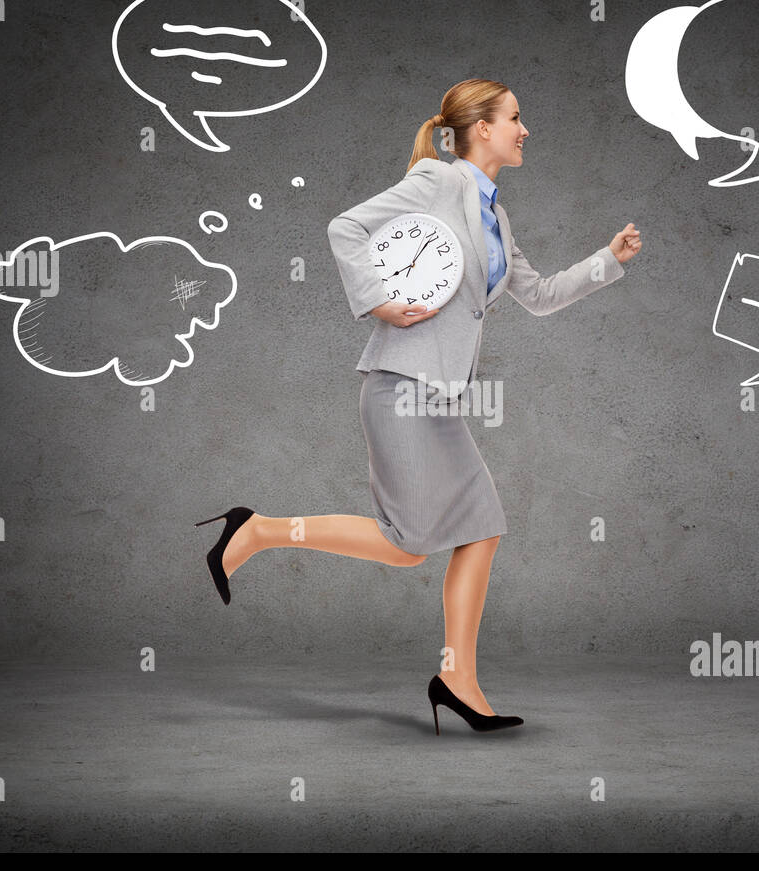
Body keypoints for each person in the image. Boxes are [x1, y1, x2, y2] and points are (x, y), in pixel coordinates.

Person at [197, 78, 641, 734]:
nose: (525, 130)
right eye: (515, 118)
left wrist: (609, 259)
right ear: (481, 129)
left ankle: (457, 677)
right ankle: (257, 530)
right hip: (399, 385)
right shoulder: (439, 180)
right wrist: (377, 299)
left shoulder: (495, 213)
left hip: (438, 398)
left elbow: (540, 295)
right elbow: (345, 228)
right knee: (409, 545)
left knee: (480, 530)